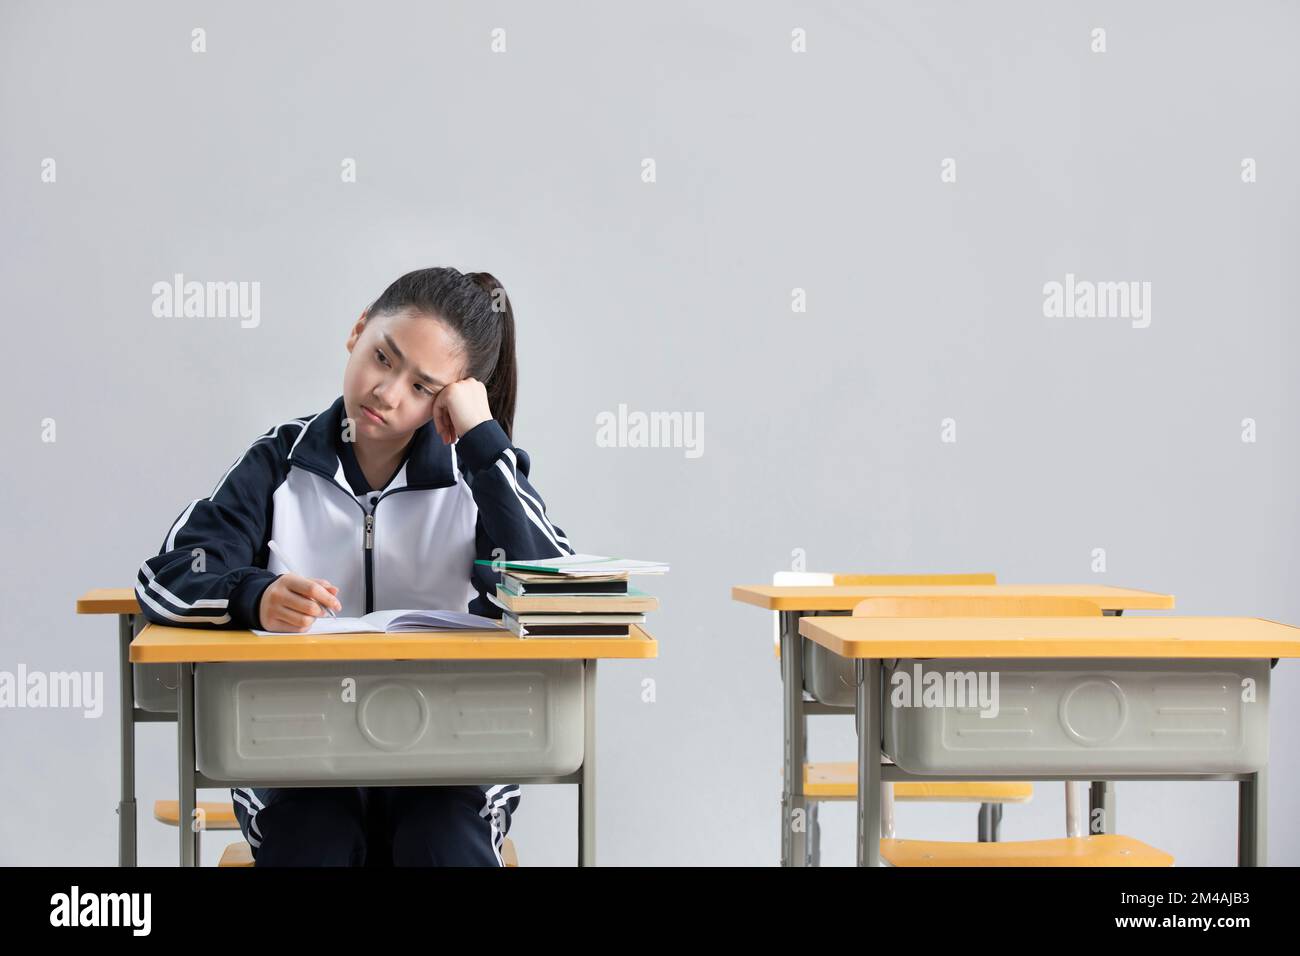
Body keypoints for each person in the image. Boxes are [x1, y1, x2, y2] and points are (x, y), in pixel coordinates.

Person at [136, 266, 575, 865]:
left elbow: (560, 599)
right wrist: (254, 595)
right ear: (357, 331)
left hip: (452, 758)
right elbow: (167, 574)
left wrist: (483, 439)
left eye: (424, 387)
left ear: (453, 396)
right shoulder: (278, 463)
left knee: (442, 845)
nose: (388, 393)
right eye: (383, 358)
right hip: (293, 756)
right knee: (310, 844)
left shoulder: (475, 476)